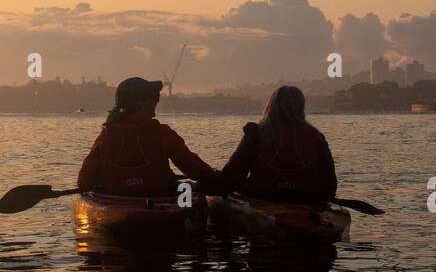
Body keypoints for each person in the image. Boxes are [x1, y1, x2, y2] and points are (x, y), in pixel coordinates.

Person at [78, 76, 218, 196]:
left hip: (117, 197)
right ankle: (187, 213)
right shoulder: (162, 133)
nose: (157, 101)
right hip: (159, 196)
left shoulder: (107, 135)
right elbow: (195, 169)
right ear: (140, 103)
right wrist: (215, 178)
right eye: (154, 97)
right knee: (187, 187)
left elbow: (84, 182)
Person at [210, 85, 337, 205]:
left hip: (262, 197)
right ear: (301, 107)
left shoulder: (256, 133)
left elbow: (231, 178)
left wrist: (207, 182)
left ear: (271, 106)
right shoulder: (316, 137)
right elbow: (330, 186)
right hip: (307, 200)